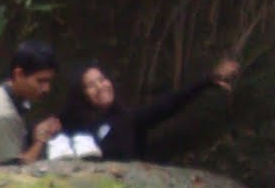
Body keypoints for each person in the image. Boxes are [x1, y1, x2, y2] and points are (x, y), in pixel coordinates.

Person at [57, 57, 241, 161]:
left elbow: (168, 104)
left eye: (102, 79)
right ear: (81, 94)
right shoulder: (74, 125)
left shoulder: (128, 119)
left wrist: (207, 80)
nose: (100, 86)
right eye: (91, 85)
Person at [0, 41, 62, 165]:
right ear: (19, 74)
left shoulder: (13, 97)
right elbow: (14, 170)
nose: (47, 88)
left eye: (48, 82)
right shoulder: (2, 114)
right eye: (40, 81)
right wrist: (40, 140)